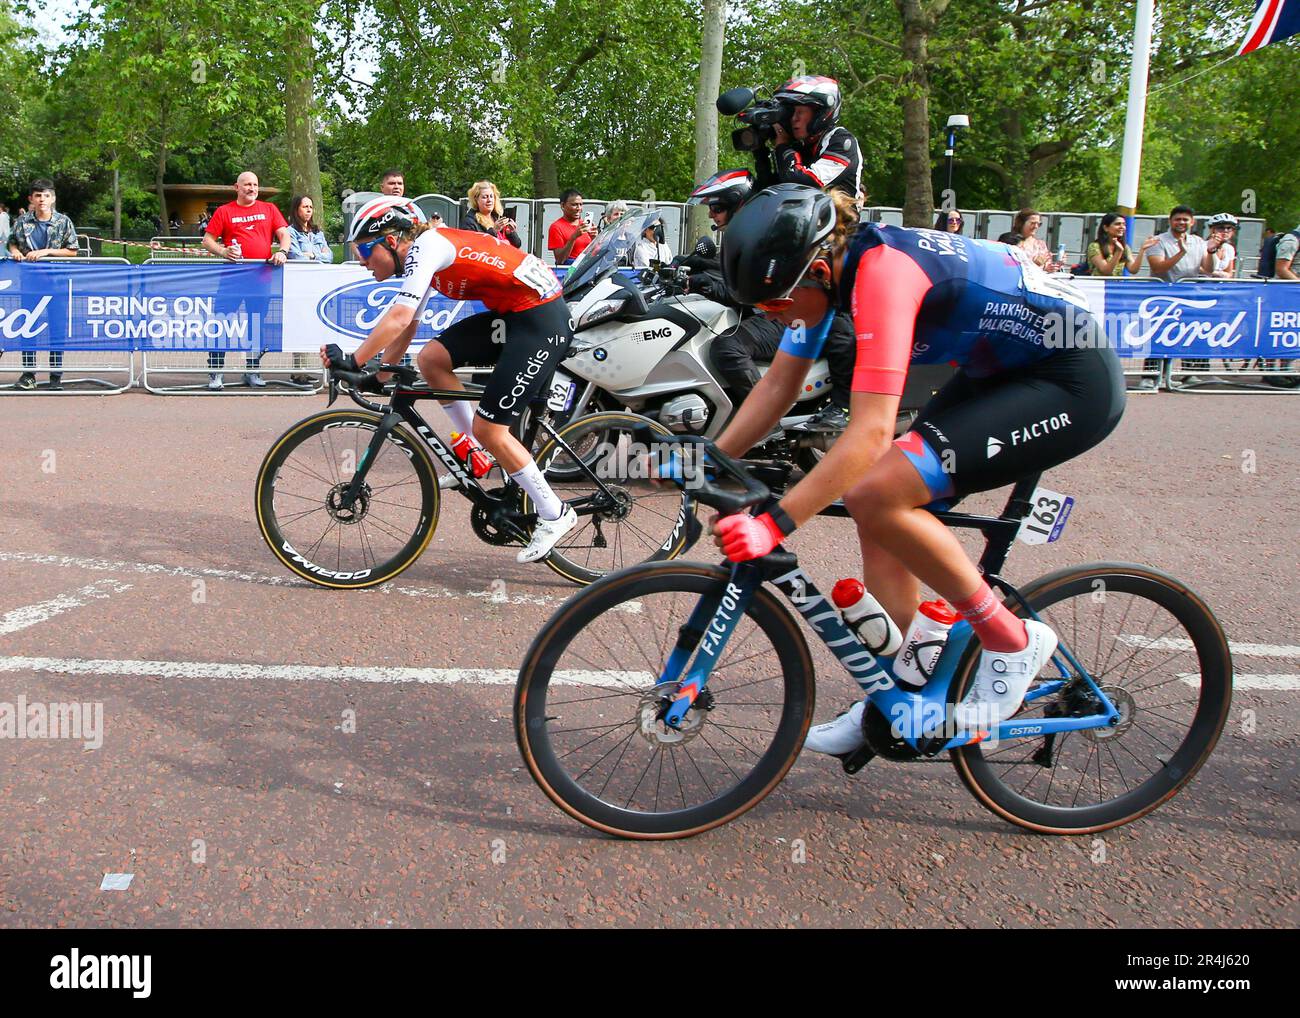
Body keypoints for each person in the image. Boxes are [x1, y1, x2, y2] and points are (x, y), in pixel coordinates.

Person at [712, 184, 1125, 753]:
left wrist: (775, 524)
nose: (772, 316)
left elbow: (870, 431)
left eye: (777, 304)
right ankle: (906, 691)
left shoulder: (883, 273)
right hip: (999, 372)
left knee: (877, 490)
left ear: (819, 271)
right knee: (878, 508)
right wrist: (710, 460)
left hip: (1071, 380)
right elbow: (778, 386)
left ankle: (1009, 639)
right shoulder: (824, 276)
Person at [322, 195, 578, 563]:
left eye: (365, 249)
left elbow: (398, 316)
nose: (362, 261)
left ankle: (555, 513)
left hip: (541, 321)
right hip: (517, 317)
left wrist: (353, 359)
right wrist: (379, 374)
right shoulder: (424, 250)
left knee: (494, 430)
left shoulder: (429, 245)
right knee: (432, 359)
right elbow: (409, 324)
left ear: (391, 240)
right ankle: (473, 453)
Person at [685, 168, 856, 431]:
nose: (711, 214)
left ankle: (780, 424)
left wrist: (703, 284)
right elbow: (778, 390)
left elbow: (873, 434)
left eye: (717, 207)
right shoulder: (748, 235)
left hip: (807, 312)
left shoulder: (765, 237)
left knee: (728, 347)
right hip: (794, 310)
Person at [200, 171, 290, 389]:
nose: (252, 188)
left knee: (256, 326)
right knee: (221, 323)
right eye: (247, 184)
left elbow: (284, 234)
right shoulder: (224, 211)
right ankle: (216, 373)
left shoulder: (269, 209)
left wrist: (283, 252)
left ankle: (252, 371)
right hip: (232, 278)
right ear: (236, 187)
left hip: (261, 279)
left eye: (255, 184)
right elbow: (207, 240)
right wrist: (222, 251)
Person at [6, 179, 78, 389]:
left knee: (57, 330)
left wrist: (46, 252)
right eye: (38, 196)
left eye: (46, 195)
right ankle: (28, 374)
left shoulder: (63, 221)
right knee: (29, 329)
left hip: (56, 285)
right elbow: (12, 241)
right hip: (29, 284)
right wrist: (15, 252)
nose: (42, 200)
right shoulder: (22, 221)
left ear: (53, 198)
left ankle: (55, 376)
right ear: (31, 199)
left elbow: (72, 250)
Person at [1148, 206, 1223, 381]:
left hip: (1191, 295)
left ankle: (1187, 373)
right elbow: (1157, 267)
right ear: (1170, 221)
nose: (1181, 222)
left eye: (1185, 219)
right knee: (1160, 334)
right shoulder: (1157, 241)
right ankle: (1152, 375)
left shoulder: (1198, 242)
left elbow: (1208, 269)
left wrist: (1211, 251)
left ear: (1192, 222)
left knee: (1189, 333)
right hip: (1164, 295)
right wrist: (1181, 252)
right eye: (1177, 219)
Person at [763, 75, 862, 199]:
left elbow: (804, 182)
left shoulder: (842, 140)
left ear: (820, 113)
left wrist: (782, 145)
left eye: (800, 112)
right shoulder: (802, 144)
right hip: (798, 215)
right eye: (791, 112)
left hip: (840, 217)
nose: (794, 119)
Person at [286, 194, 333, 384]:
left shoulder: (317, 232)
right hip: (300, 285)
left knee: (318, 324)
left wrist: (311, 255)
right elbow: (296, 256)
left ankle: (320, 369)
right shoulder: (290, 232)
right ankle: (299, 371)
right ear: (296, 209)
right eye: (305, 206)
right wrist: (316, 255)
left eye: (311, 207)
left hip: (319, 283)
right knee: (300, 324)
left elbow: (329, 256)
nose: (308, 210)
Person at [1087, 213, 1157, 276]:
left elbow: (1133, 270)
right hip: (1098, 287)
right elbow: (1106, 271)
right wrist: (1119, 251)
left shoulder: (1125, 247)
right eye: (1117, 224)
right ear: (1106, 228)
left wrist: (1142, 249)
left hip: (1116, 286)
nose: (1122, 227)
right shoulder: (1095, 246)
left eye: (1124, 224)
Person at [460, 180, 522, 248]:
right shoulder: (469, 222)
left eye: (491, 196)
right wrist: (494, 231)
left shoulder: (497, 217)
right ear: (476, 199)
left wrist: (510, 233)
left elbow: (517, 245)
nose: (489, 200)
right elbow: (472, 247)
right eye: (485, 197)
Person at [547, 189, 597, 264]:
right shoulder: (556, 227)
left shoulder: (585, 225)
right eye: (574, 205)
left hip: (588, 267)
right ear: (563, 205)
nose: (579, 208)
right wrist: (573, 237)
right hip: (570, 270)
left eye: (581, 204)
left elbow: (597, 254)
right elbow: (560, 260)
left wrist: (595, 239)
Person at [1206, 213, 1238, 278]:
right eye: (1221, 228)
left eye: (1229, 228)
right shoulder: (1202, 246)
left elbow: (1229, 272)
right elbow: (1197, 268)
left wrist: (1226, 275)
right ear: (1212, 230)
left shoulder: (1229, 248)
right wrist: (1215, 274)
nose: (1225, 231)